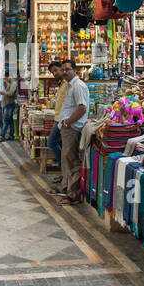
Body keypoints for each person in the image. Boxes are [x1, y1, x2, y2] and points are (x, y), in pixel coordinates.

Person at [54, 59, 90, 205]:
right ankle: (67, 189)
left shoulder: (78, 86)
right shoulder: (70, 86)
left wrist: (68, 122)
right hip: (67, 128)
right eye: (63, 69)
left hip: (72, 128)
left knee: (72, 161)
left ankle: (73, 194)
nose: (64, 72)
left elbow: (82, 108)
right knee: (67, 159)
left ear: (75, 70)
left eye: (67, 69)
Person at [45, 60, 67, 182]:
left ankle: (63, 168)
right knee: (59, 145)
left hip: (62, 120)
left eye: (55, 70)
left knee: (52, 143)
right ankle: (63, 172)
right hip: (58, 118)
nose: (54, 73)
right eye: (52, 72)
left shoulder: (68, 83)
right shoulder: (61, 84)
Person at [0, 73, 19, 142]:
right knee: (10, 121)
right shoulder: (10, 83)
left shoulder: (14, 84)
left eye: (5, 78)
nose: (5, 80)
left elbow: (11, 93)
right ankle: (11, 135)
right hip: (7, 104)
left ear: (9, 77)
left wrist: (3, 93)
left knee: (6, 121)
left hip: (10, 104)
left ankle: (2, 136)